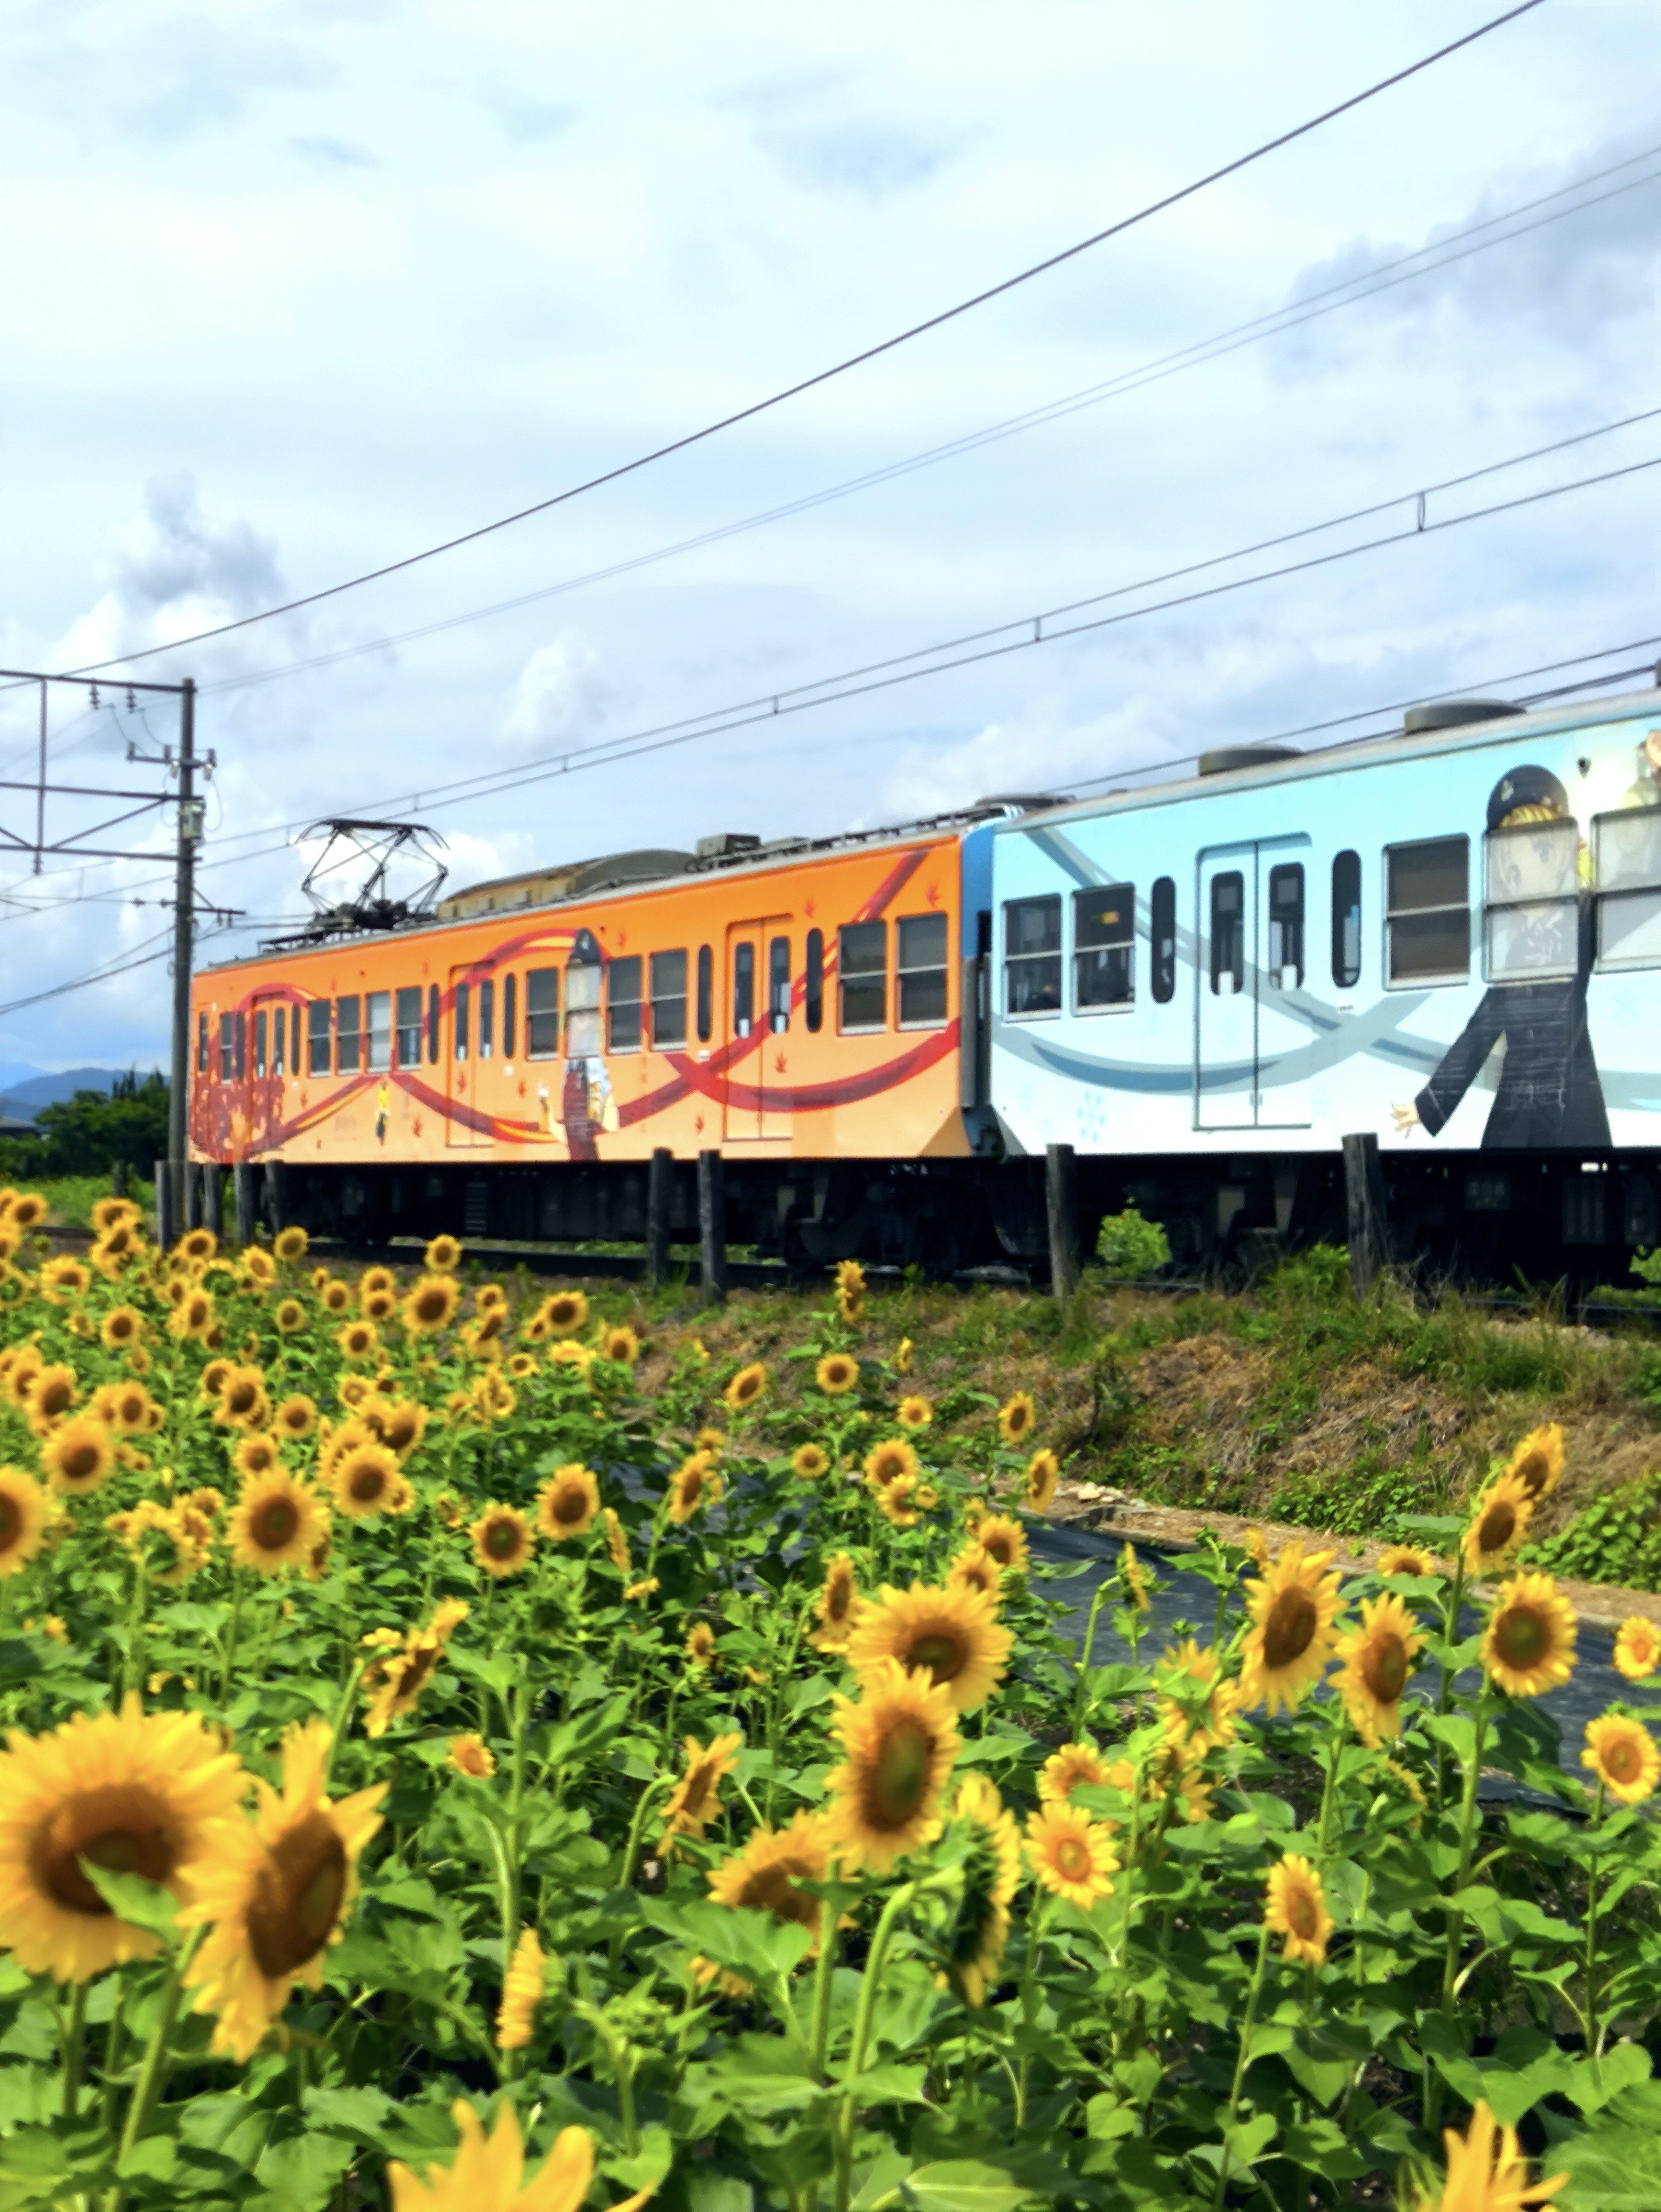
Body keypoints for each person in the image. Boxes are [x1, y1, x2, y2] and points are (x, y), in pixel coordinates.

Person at [1392, 765, 1609, 1150]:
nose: (1520, 872)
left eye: (1541, 849)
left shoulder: (1584, 919)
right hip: (1517, 1109)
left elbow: (1628, 891)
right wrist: (1429, 1105)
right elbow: (1483, 1028)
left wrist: (1590, 870)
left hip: (1570, 1102)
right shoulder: (1515, 951)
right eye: (1508, 861)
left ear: (1564, 851)